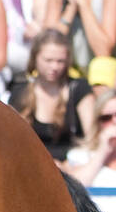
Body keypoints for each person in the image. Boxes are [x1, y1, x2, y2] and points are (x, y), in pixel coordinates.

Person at [9, 29, 97, 161]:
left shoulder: (79, 89)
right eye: (48, 60)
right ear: (35, 58)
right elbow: (10, 140)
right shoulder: (20, 91)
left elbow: (91, 137)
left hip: (71, 165)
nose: (54, 66)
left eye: (60, 61)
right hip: (32, 164)